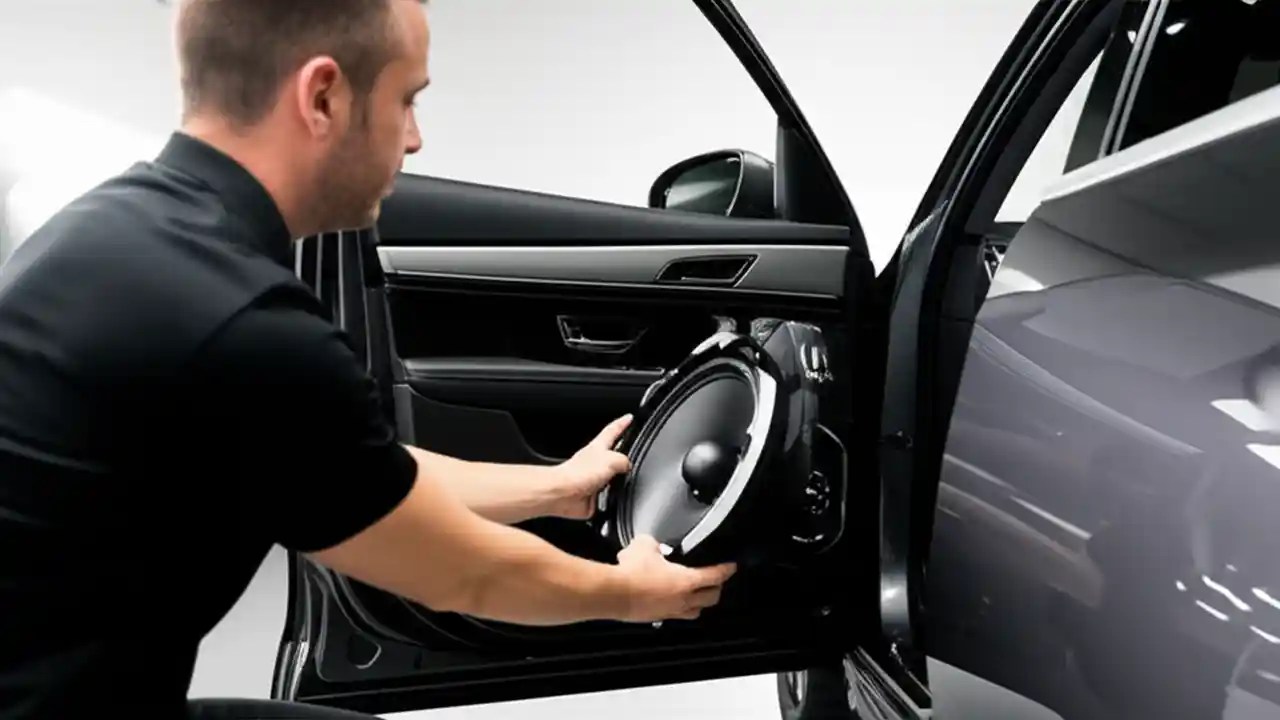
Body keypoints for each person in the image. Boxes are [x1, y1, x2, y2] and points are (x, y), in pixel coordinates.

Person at [0, 0, 737, 717]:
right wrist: (630, 593)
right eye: (406, 99)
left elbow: (369, 476)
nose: (414, 139)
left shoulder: (119, 227)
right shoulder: (241, 324)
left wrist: (551, 488)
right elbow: (465, 573)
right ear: (322, 96)